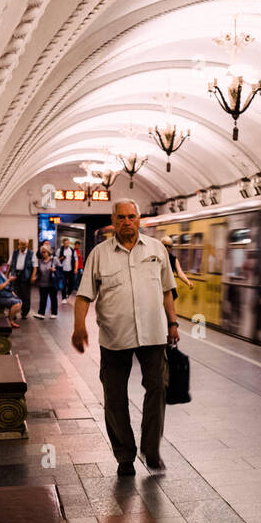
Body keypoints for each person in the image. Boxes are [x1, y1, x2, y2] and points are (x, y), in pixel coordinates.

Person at [72, 200, 177, 477]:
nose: (126, 222)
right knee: (115, 396)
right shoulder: (99, 254)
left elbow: (167, 290)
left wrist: (174, 323)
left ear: (139, 219)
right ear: (114, 220)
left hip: (154, 334)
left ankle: (151, 450)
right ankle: (124, 455)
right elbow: (84, 296)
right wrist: (78, 326)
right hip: (114, 338)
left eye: (132, 216)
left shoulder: (157, 250)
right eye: (121, 217)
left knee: (158, 389)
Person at [0, 260, 23, 327]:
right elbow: (0, 287)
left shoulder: (0, 274)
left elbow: (6, 286)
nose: (6, 267)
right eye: (5, 265)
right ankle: (10, 321)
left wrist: (12, 292)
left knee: (19, 301)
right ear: (0, 266)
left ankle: (11, 318)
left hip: (1, 295)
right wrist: (9, 280)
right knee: (17, 303)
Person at [161, 234, 196, 301]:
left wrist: (187, 282)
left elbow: (180, 272)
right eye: (165, 246)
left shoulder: (174, 259)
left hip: (168, 289)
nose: (167, 248)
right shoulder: (156, 258)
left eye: (170, 246)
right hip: (158, 289)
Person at [32, 243, 60, 319]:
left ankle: (54, 313)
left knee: (53, 298)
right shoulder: (40, 261)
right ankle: (41, 313)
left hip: (52, 283)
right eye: (42, 252)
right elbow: (39, 272)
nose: (43, 254)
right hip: (42, 283)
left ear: (48, 252)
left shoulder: (54, 259)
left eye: (44, 252)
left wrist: (55, 270)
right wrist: (35, 277)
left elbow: (60, 269)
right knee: (42, 299)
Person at [9, 239, 34, 318]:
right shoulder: (15, 252)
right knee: (15, 294)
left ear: (27, 245)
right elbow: (10, 264)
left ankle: (24, 313)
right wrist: (7, 275)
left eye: (24, 244)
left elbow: (35, 266)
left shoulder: (31, 253)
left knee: (25, 295)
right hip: (15, 274)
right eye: (20, 244)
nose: (22, 246)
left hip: (25, 275)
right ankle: (14, 312)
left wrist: (33, 276)